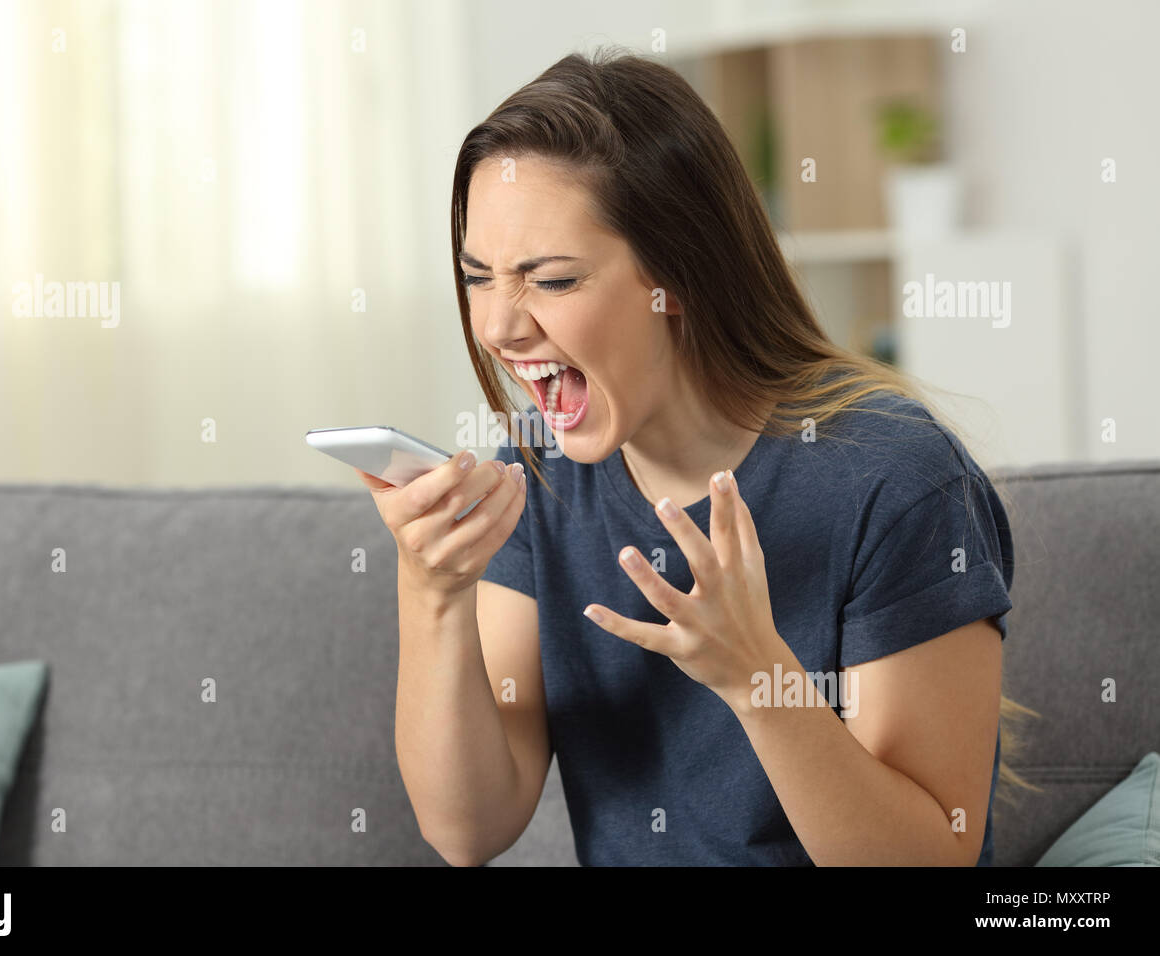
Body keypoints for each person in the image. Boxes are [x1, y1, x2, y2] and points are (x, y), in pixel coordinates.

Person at [357, 48, 1025, 866]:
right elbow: (468, 830)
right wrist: (431, 593)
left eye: (553, 281)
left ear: (683, 276)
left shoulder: (895, 481)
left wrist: (757, 679)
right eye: (478, 277)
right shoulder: (541, 475)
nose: (498, 327)